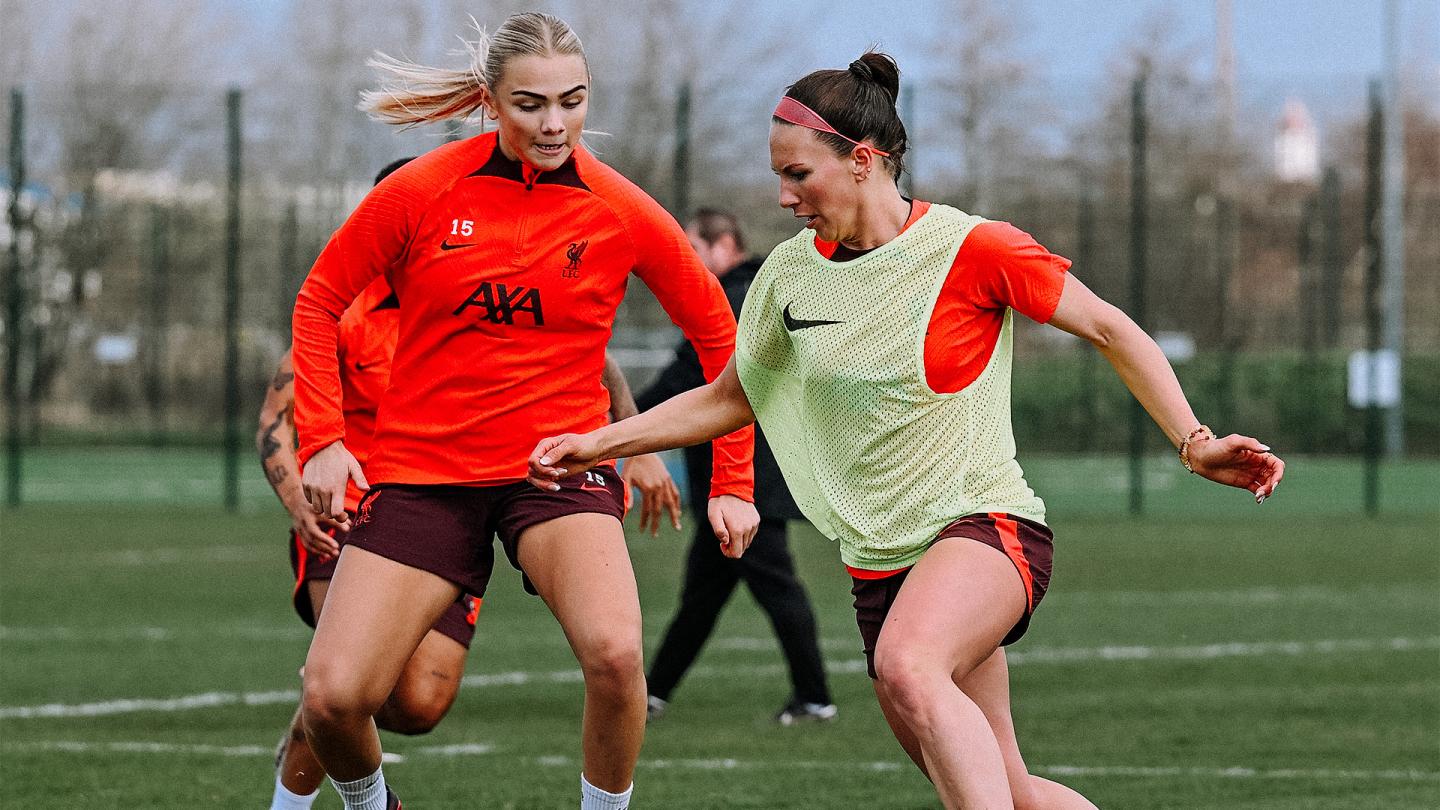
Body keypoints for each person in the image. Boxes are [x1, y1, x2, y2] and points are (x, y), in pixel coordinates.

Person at [528, 52, 1285, 810]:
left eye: (798, 175)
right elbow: (729, 398)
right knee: (1012, 793)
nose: (783, 197)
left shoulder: (971, 248)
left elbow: (1112, 330)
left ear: (863, 161)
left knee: (911, 666)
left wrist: (1195, 442)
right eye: (779, 176)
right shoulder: (787, 278)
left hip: (986, 531)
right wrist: (599, 442)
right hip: (879, 572)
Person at [290, 14, 757, 810]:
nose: (554, 124)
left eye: (572, 102)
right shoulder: (421, 191)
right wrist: (324, 442)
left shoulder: (619, 208)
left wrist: (733, 481)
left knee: (615, 656)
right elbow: (319, 300)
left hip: (556, 468)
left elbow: (724, 340)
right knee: (332, 699)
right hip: (424, 474)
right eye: (531, 104)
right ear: (489, 102)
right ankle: (375, 806)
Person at [259, 155, 677, 810]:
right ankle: (317, 780)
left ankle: (317, 707)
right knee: (339, 691)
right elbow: (274, 424)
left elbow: (588, 354)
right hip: (347, 515)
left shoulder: (474, 291)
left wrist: (636, 441)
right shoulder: (347, 314)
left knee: (419, 701)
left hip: (453, 493)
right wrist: (301, 496)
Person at [637, 208, 834, 726]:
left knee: (776, 585)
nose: (691, 263)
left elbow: (688, 375)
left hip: (749, 480)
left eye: (696, 251)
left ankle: (814, 697)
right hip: (740, 478)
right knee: (702, 594)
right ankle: (652, 693)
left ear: (725, 245)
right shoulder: (759, 287)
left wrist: (621, 424)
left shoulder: (735, 295)